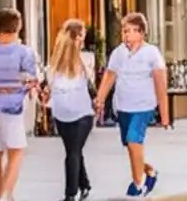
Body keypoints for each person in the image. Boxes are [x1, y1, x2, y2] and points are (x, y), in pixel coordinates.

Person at [95, 12, 170, 198]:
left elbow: (161, 85)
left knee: (134, 141)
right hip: (123, 106)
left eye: (130, 31)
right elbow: (110, 75)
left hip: (143, 107)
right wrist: (100, 98)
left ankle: (139, 185)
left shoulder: (152, 53)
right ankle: (149, 172)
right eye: (124, 31)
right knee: (130, 146)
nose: (126, 35)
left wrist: (165, 115)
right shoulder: (119, 53)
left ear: (142, 33)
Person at [0, 8, 37, 201]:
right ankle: (5, 196)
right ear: (19, 26)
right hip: (14, 106)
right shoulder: (24, 52)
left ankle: (2, 194)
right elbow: (32, 79)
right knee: (17, 152)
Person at [45, 19, 95, 201]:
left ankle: (71, 194)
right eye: (82, 35)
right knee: (74, 151)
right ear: (78, 37)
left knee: (72, 151)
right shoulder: (86, 59)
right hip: (79, 112)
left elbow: (50, 86)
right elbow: (91, 82)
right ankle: (83, 185)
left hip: (67, 113)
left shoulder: (53, 64)